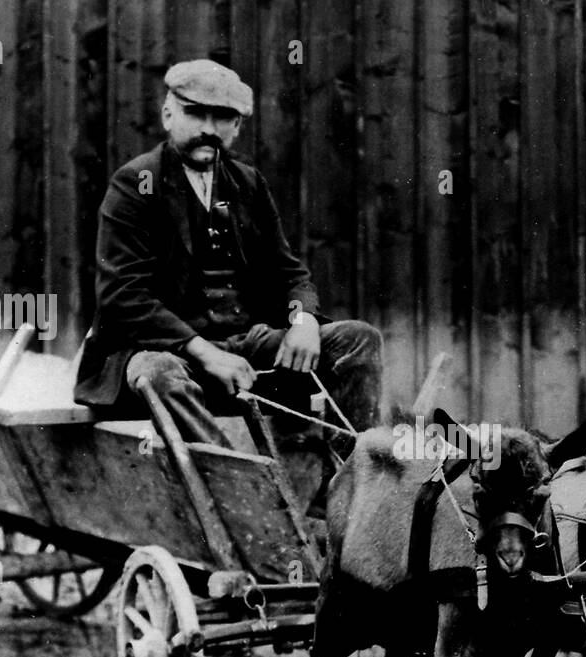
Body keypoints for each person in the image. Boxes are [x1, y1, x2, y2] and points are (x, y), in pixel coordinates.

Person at [74, 58, 382, 465]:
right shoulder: (135, 184)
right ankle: (240, 486)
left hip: (242, 349)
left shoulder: (247, 183)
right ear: (168, 115)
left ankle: (348, 489)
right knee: (157, 373)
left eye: (223, 118)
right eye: (195, 113)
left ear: (237, 126)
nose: (208, 128)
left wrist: (304, 318)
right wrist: (206, 353)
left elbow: (290, 273)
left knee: (357, 340)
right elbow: (122, 295)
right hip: (167, 353)